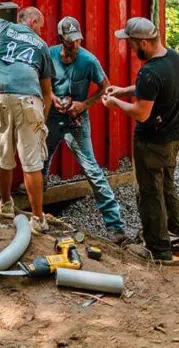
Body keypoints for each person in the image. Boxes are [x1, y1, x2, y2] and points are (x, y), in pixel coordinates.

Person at [103, 16, 179, 263]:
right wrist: (124, 89)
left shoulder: (149, 72)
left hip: (152, 143)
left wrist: (115, 102)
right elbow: (152, 90)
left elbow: (141, 112)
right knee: (168, 188)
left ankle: (158, 250)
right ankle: (177, 242)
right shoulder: (173, 58)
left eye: (131, 44)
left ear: (143, 42)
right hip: (173, 138)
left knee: (150, 193)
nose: (130, 49)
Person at [43, 16, 127, 245]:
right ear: (61, 39)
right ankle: (36, 214)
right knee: (41, 160)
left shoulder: (89, 60)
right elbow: (41, 83)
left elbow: (106, 87)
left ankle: (116, 226)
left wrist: (84, 105)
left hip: (77, 119)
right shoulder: (49, 54)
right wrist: (52, 98)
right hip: (53, 116)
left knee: (92, 169)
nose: (75, 45)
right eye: (71, 41)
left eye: (78, 40)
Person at [0, 2, 54, 234]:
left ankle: (6, 205)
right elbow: (47, 91)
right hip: (27, 99)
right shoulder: (41, 45)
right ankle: (38, 219)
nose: (41, 30)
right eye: (40, 25)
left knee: (3, 154)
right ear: (32, 22)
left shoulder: (1, 27)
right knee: (31, 162)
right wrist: (42, 120)